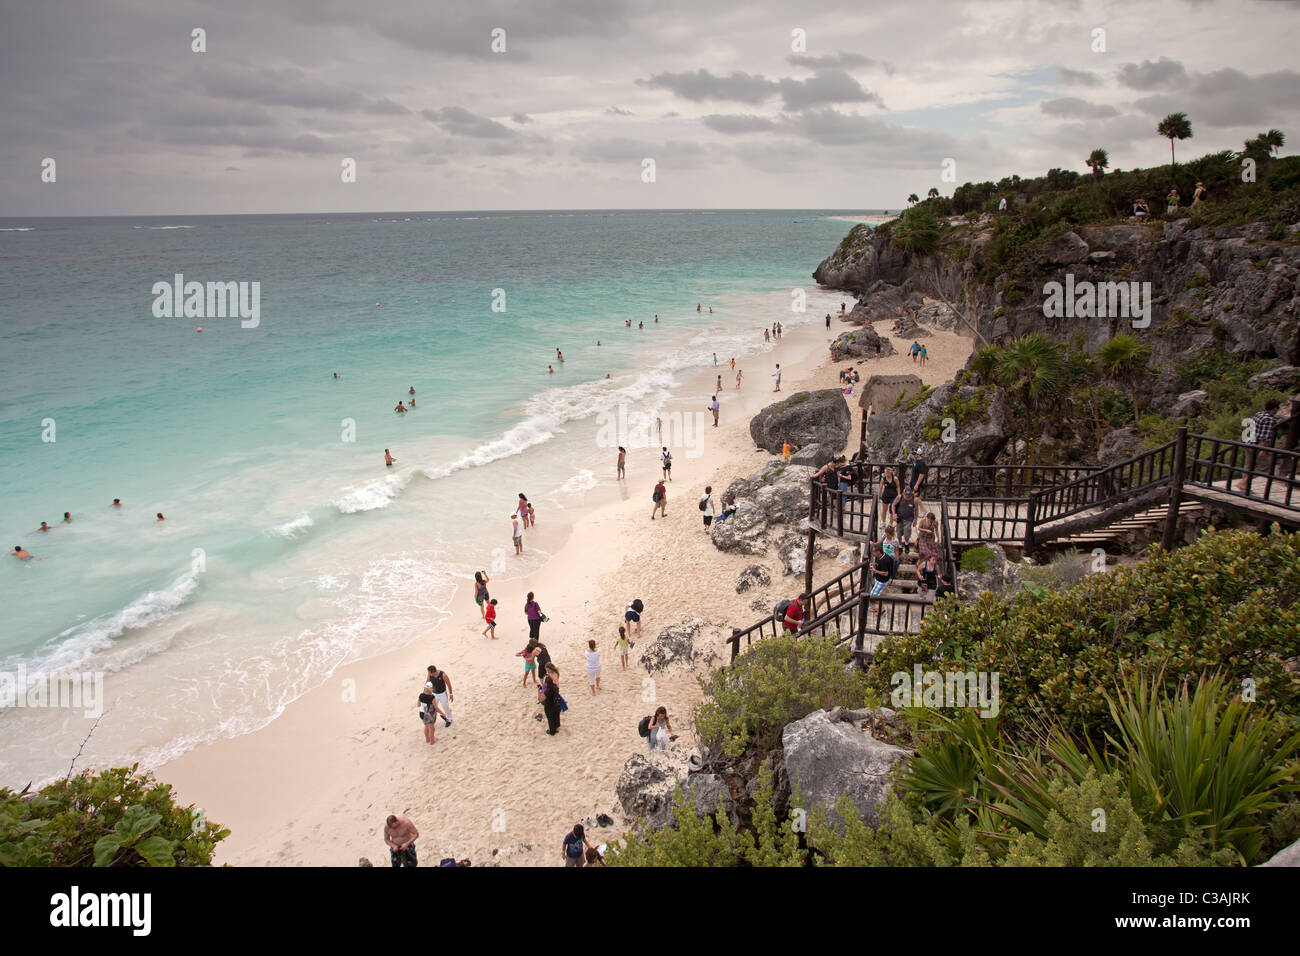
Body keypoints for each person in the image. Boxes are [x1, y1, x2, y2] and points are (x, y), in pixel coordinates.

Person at [1237, 398, 1281, 492]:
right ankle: (1244, 483)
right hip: (1257, 445)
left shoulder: (1258, 414)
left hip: (1249, 442)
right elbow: (1264, 436)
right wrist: (1263, 449)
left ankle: (1245, 486)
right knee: (1264, 467)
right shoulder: (1269, 419)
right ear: (1274, 409)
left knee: (1248, 464)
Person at [892, 487, 917, 554]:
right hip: (899, 518)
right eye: (906, 495)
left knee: (907, 533)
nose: (907, 497)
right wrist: (894, 514)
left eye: (909, 496)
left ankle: (906, 544)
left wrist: (915, 519)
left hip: (909, 519)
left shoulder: (914, 500)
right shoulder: (899, 497)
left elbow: (916, 510)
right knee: (899, 534)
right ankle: (900, 546)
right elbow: (893, 505)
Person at [540, 663, 562, 735]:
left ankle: (552, 731)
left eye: (548, 670)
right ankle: (557, 725)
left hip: (550, 696)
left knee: (550, 715)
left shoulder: (548, 689)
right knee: (556, 711)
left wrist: (540, 690)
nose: (547, 672)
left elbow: (541, 699)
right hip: (556, 693)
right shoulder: (555, 673)